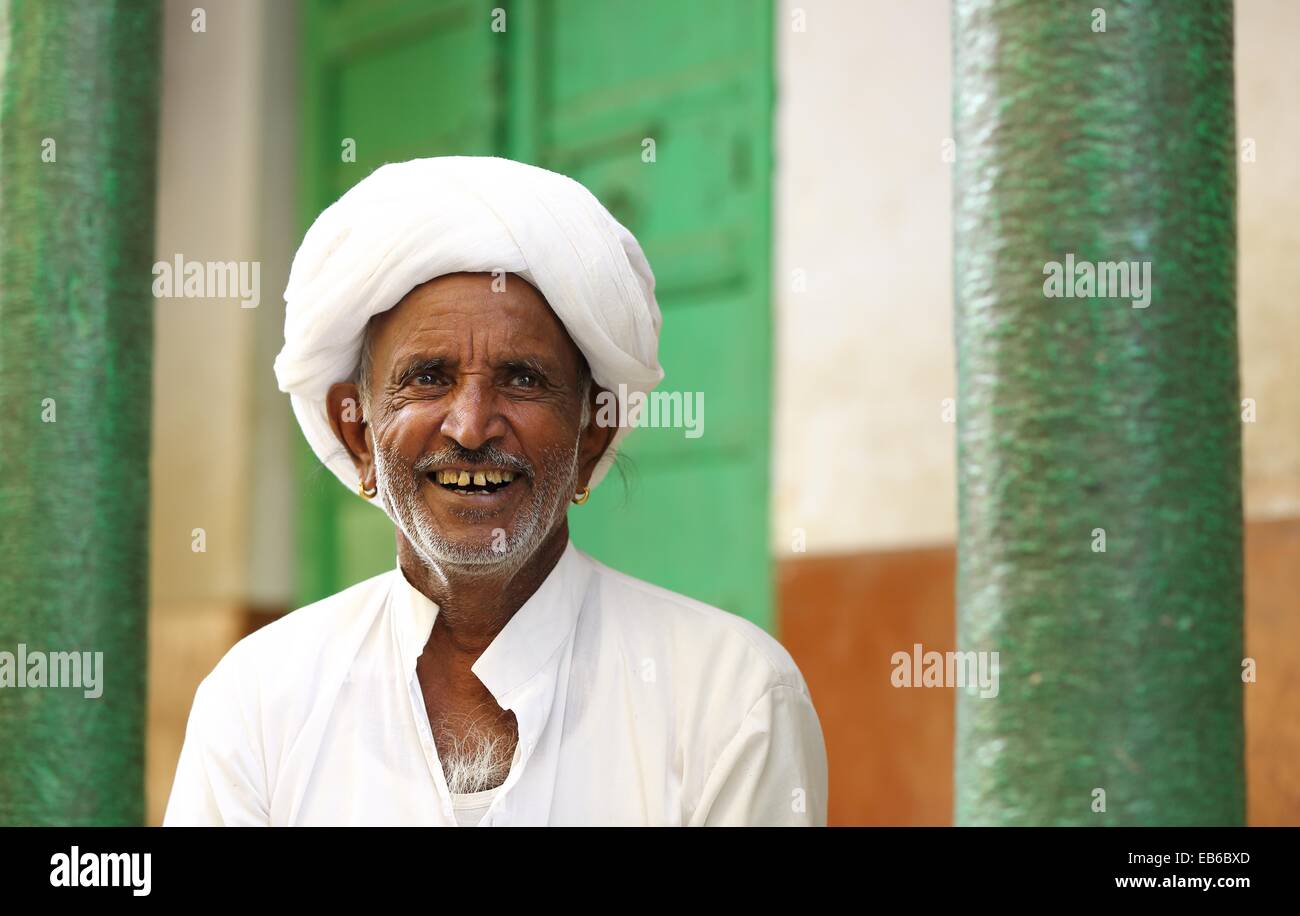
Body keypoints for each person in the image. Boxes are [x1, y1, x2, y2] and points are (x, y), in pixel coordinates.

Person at [163, 156, 827, 826]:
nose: (472, 425)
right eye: (428, 377)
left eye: (523, 379)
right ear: (357, 431)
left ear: (592, 433)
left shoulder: (730, 697)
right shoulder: (257, 701)